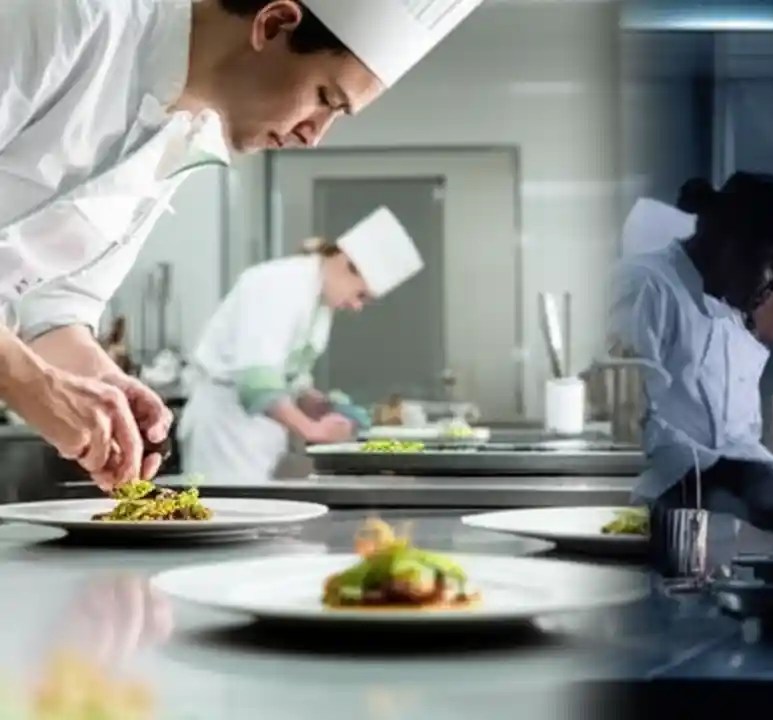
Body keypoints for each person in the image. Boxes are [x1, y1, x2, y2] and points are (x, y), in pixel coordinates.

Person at [0, 0, 484, 491]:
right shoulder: (72, 18)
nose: (314, 136)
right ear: (272, 24)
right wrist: (29, 384)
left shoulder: (183, 134)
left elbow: (54, 310)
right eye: (324, 97)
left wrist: (104, 384)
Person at [610, 174, 773, 555]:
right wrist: (719, 472)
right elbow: (625, 421)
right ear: (734, 245)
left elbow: (734, 436)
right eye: (772, 267)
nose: (772, 286)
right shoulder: (647, 285)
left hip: (713, 543)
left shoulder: (729, 317)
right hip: (649, 530)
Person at [178, 206, 423, 485]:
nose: (356, 307)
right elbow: (256, 382)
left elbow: (289, 378)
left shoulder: (318, 301)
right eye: (361, 295)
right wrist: (311, 430)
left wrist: (320, 404)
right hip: (225, 432)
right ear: (346, 263)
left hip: (259, 435)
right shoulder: (280, 284)